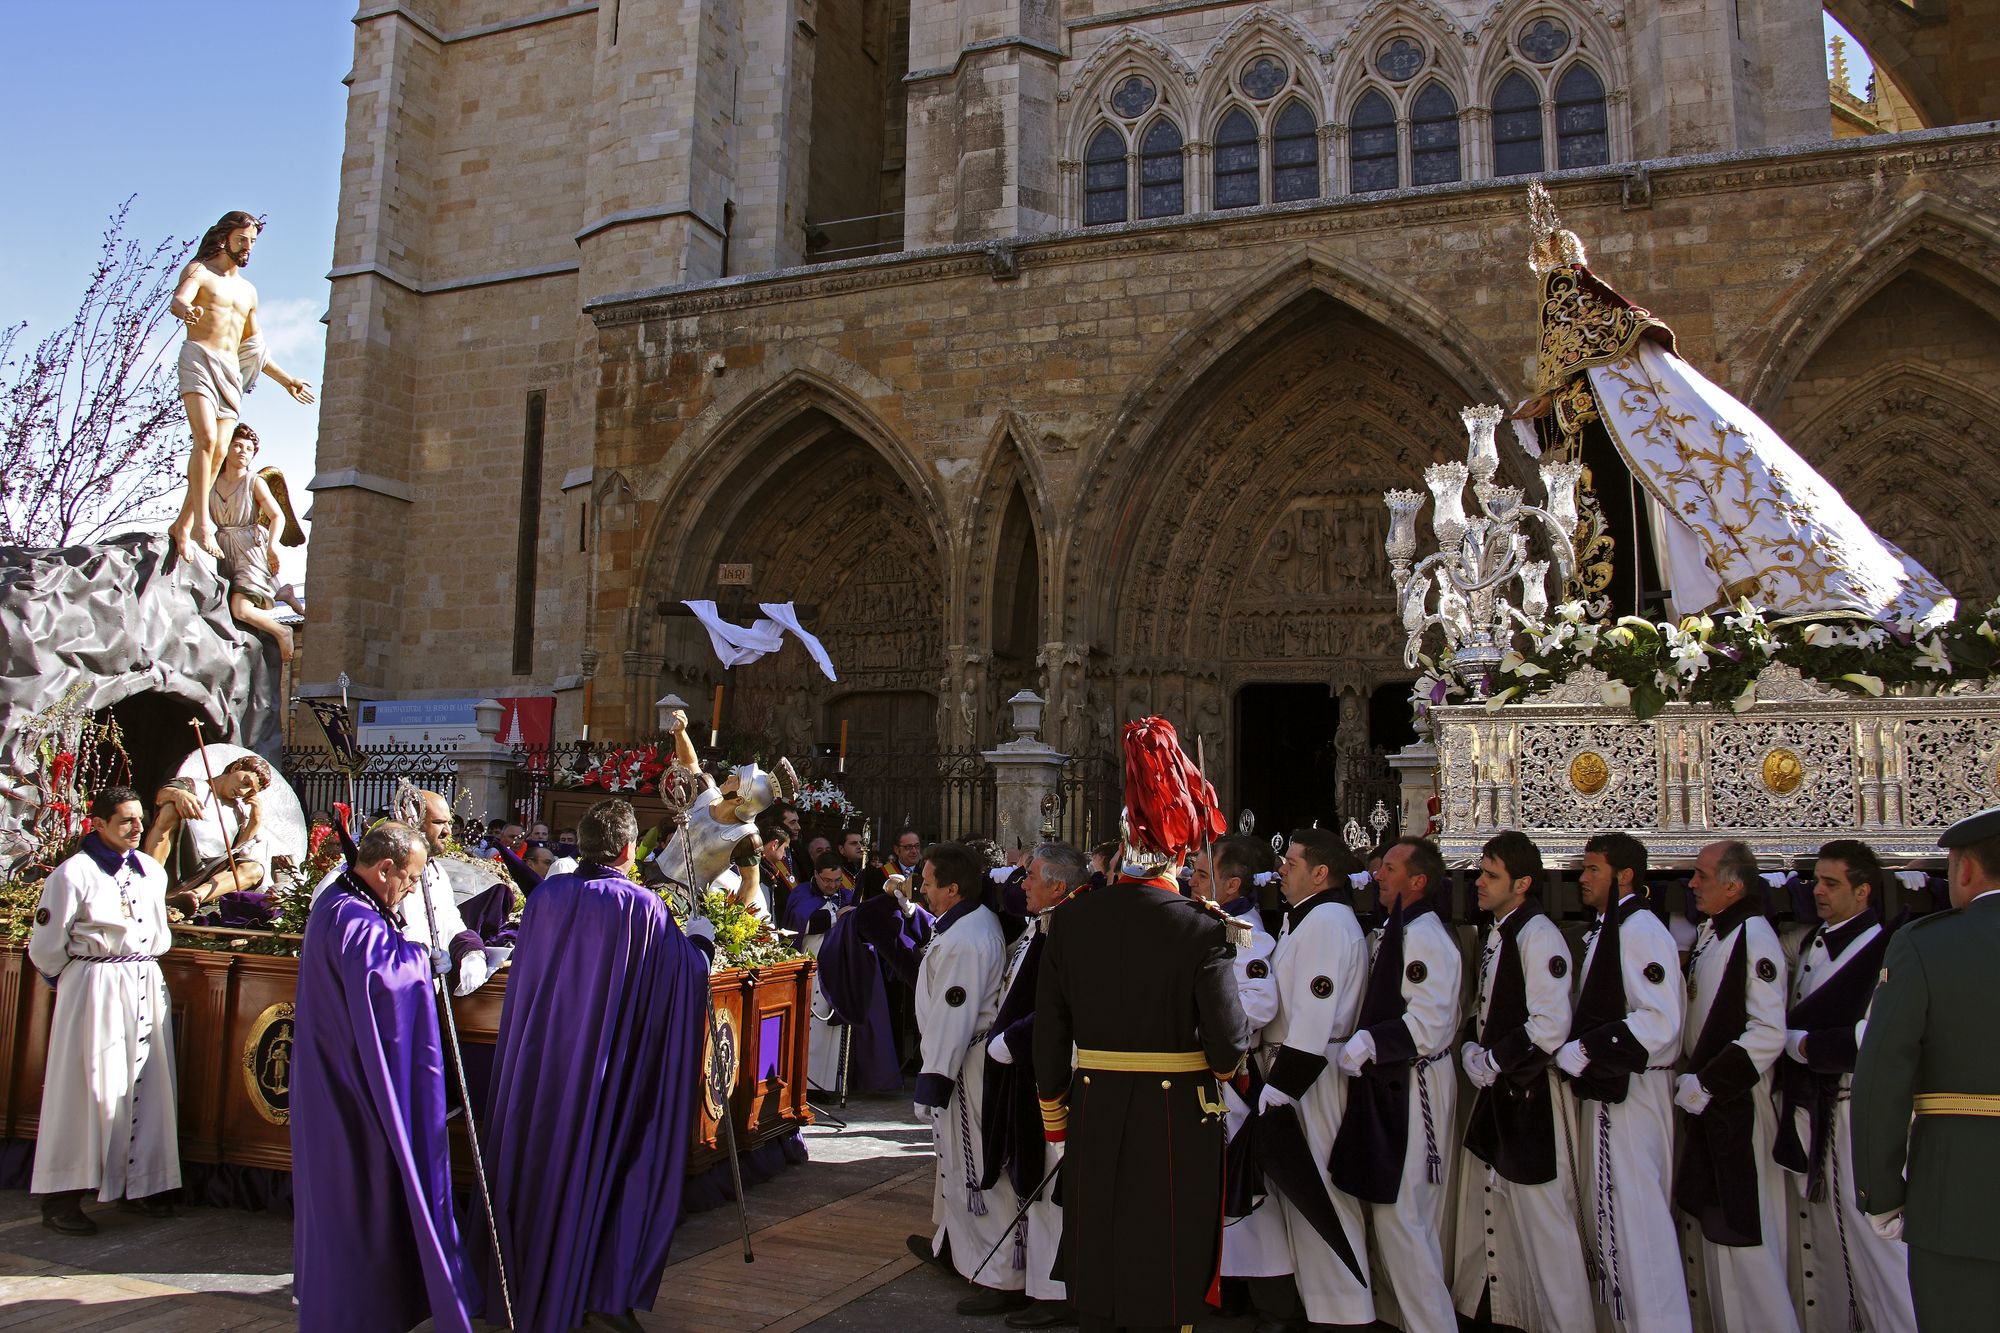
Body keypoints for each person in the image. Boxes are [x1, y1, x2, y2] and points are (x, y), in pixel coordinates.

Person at [1033, 717, 1250, 1333]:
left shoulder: (1072, 921)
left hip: (1096, 1102)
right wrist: (1228, 1071)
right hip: (1178, 1108)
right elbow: (1228, 1042)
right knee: (1167, 1230)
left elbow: (1050, 1031)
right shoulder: (1201, 926)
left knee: (1099, 1220)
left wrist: (1055, 1106)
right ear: (1177, 854)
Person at [481, 797, 715, 1333]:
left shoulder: (547, 895)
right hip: (603, 1071)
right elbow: (680, 979)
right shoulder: (640, 906)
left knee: (537, 1165)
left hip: (543, 1064)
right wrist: (699, 943)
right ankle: (594, 1289)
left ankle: (520, 1281)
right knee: (602, 1165)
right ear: (630, 849)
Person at [291, 820, 481, 1333]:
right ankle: (357, 1312)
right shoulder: (359, 921)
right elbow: (387, 984)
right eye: (413, 879)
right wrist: (422, 960)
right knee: (357, 1200)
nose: (415, 888)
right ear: (384, 870)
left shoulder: (340, 905)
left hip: (337, 1075)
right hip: (352, 1088)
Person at [1853, 807, 2000, 1329]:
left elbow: (1881, 1077)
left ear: (1963, 870)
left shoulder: (1925, 945)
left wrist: (1881, 1193)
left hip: (1958, 1200)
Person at [1452, 829, 1592, 1332]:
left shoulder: (1539, 937)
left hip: (1530, 1095)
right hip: (1502, 1092)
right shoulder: (1499, 932)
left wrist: (1495, 1060)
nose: (1480, 885)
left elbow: (1550, 1024)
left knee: (1545, 1224)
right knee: (1498, 1208)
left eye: (1492, 877)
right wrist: (1472, 1044)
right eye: (1480, 875)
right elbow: (1485, 1006)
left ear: (1523, 883)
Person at [1774, 839, 1913, 1333]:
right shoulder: (1811, 942)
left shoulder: (1888, 949)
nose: (1820, 892)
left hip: (1858, 1110)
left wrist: (1799, 1045)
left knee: (1876, 1243)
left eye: (1832, 883)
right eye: (1816, 882)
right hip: (1814, 1112)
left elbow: (1869, 1040)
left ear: (1864, 890)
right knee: (1831, 1244)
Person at [1555, 832, 1690, 1333]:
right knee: (1613, 1222)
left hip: (1633, 1092)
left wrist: (1590, 1049)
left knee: (1639, 1228)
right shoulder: (1612, 927)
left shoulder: (1640, 930)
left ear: (1625, 874)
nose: (1582, 878)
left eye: (1593, 869)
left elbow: (1659, 1020)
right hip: (1615, 1091)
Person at [29, 787, 179, 1235]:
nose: (136, 829)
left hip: (144, 980)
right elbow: (47, 945)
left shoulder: (151, 871)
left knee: (147, 1085)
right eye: (125, 821)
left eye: (139, 819)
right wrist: (77, 984)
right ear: (97, 824)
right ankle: (61, 1197)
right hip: (94, 985)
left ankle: (140, 1184)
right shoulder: (73, 873)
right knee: (86, 1087)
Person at [1332, 836, 1462, 1333]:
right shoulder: (1399, 928)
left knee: (1403, 1218)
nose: (1377, 875)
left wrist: (1371, 1042)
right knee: (1398, 1218)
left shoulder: (1424, 934)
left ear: (1418, 880)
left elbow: (1429, 1021)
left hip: (1412, 1084)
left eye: (1389, 868)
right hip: (1392, 1084)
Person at [1250, 828, 1374, 1329]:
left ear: (1320, 873)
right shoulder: (1308, 919)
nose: (1282, 869)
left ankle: (1344, 1313)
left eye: (1293, 862)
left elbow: (1315, 1014)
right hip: (1295, 1070)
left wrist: (1282, 1088)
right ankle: (1319, 1306)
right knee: (1300, 1194)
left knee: (1321, 1192)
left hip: (1310, 1076)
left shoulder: (1326, 922)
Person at [1675, 840, 1800, 1333]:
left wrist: (1708, 1083)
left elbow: (1767, 1032)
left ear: (1734, 885)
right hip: (1707, 1100)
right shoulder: (1714, 932)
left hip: (1738, 1102)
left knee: (1748, 1237)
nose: (1692, 884)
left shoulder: (1754, 937)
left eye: (1702, 876)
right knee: (1718, 1230)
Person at [906, 840, 1023, 1311]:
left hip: (965, 1065)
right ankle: (956, 1249)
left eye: (929, 884)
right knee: (954, 1166)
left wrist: (934, 1079)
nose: (923, 891)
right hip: (961, 1059)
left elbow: (954, 1014)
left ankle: (1000, 1277)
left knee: (977, 1169)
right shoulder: (963, 924)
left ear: (952, 889)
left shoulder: (966, 939)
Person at [980, 841, 1087, 1328]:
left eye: (1031, 877)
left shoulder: (1074, 926)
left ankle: (1056, 1293)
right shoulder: (1046, 920)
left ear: (1059, 886)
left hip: (1052, 1071)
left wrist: (1015, 1041)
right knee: (1032, 1182)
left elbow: (1066, 1005)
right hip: (1029, 1069)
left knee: (1051, 1182)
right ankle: (1036, 1284)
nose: (1021, 884)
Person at [166, 211, 315, 562]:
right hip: (200, 357)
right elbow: (179, 299)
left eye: (252, 242)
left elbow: (253, 349)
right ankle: (202, 525)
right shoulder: (199, 271)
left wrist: (287, 381)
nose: (247, 247)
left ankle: (181, 524)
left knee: (219, 453)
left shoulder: (248, 292)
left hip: (230, 369)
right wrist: (185, 310)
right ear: (225, 238)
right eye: (242, 240)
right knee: (205, 439)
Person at [1196, 838, 1282, 1313]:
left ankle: (1271, 1302)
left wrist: (1201, 1029)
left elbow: (1258, 1004)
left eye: (1204, 875)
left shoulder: (1243, 932)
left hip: (1230, 1077)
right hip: (1208, 1073)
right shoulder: (1210, 924)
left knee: (1246, 1200)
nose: (1192, 881)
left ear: (1232, 884)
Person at [145, 752, 274, 918]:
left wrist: (254, 821)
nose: (243, 791)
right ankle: (149, 881)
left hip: (209, 872)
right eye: (245, 782)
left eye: (250, 791)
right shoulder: (192, 786)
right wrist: (177, 794)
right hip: (180, 858)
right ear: (236, 767)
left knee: (255, 869)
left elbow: (237, 854)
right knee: (170, 808)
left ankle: (194, 897)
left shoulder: (239, 812)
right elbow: (162, 796)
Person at [206, 422, 293, 660]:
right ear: (226, 448)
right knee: (228, 604)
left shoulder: (254, 482)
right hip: (223, 546)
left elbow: (277, 515)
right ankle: (281, 593)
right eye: (237, 445)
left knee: (240, 608)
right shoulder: (211, 481)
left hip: (250, 546)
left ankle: (283, 632)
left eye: (249, 448)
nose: (243, 451)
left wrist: (272, 547)